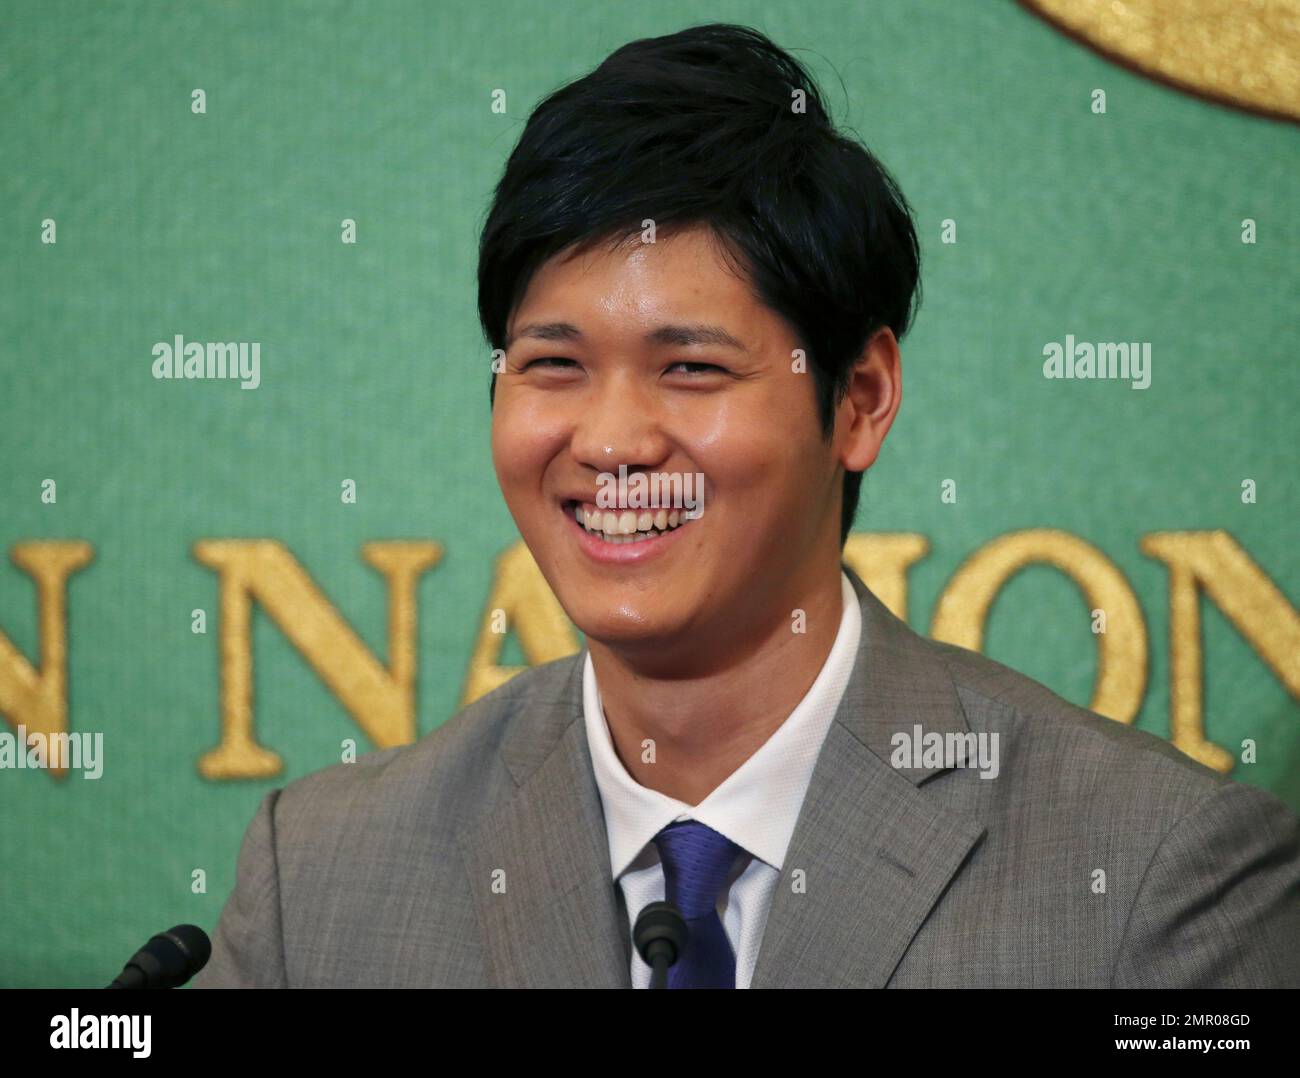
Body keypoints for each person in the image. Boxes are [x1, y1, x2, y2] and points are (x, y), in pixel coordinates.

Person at [194, 23, 1299, 988]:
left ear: (857, 400)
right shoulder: (326, 875)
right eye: (554, 363)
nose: (613, 444)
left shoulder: (1160, 876)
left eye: (690, 369)